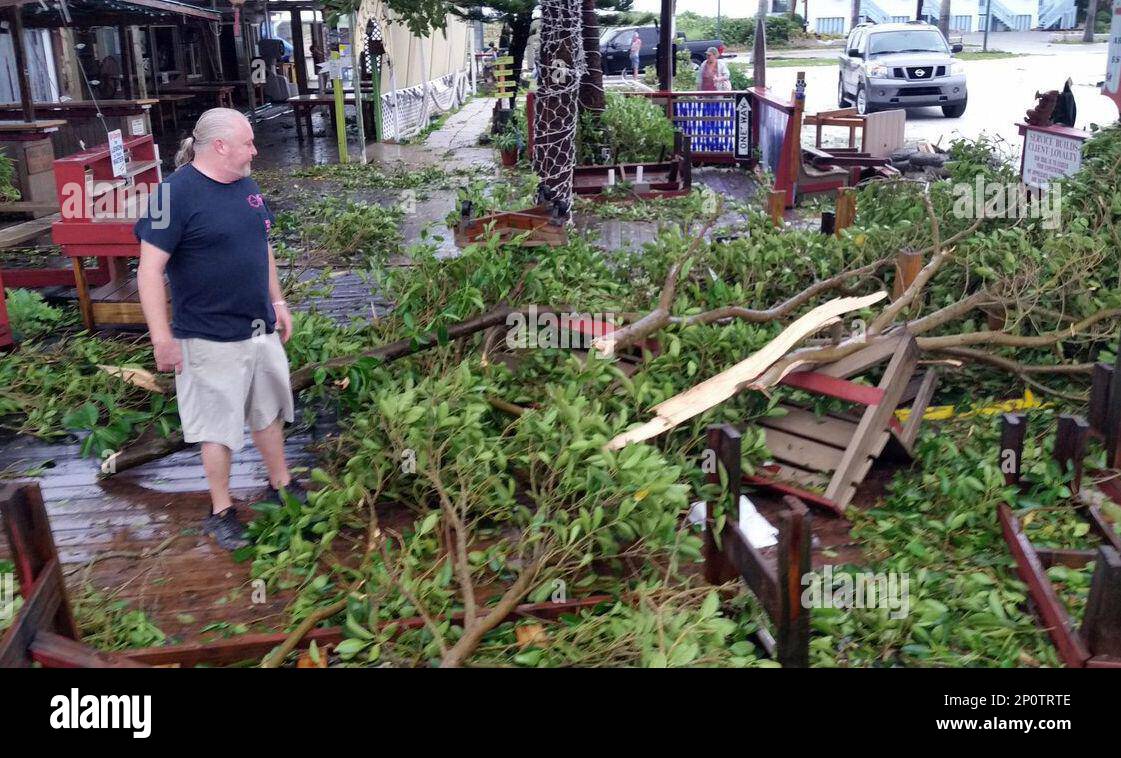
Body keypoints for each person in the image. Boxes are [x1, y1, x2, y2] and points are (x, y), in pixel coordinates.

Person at [134, 108, 304, 551]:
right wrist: (161, 338)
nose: (255, 149)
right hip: (207, 336)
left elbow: (262, 245)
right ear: (220, 146)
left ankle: (281, 484)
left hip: (258, 328)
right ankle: (221, 510)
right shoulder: (174, 195)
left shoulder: (247, 186)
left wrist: (278, 301)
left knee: (268, 410)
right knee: (217, 428)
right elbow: (149, 272)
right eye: (248, 142)